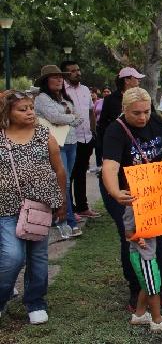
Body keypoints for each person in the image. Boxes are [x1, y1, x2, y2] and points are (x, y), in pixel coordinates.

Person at [100, 87, 162, 312]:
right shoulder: (115, 131)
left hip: (152, 190)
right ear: (124, 110)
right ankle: (135, 289)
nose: (142, 117)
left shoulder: (155, 121)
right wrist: (115, 192)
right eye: (136, 113)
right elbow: (109, 167)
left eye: (146, 112)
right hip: (124, 193)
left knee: (157, 239)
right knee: (131, 239)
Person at [0, 90, 66, 325]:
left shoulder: (43, 134)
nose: (29, 112)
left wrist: (61, 201)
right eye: (22, 109)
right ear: (7, 112)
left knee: (38, 257)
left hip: (39, 207)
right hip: (6, 208)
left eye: (30, 108)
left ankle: (35, 301)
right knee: (12, 257)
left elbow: (59, 170)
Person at [34, 65, 85, 237]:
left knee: (65, 181)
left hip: (71, 142)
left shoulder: (64, 97)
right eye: (54, 77)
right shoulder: (42, 98)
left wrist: (67, 119)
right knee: (63, 182)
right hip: (56, 144)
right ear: (45, 81)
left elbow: (80, 119)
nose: (59, 80)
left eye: (60, 77)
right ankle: (67, 222)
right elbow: (55, 117)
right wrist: (70, 118)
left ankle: (58, 218)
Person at [123, 205, 162, 331]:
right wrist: (138, 239)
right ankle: (157, 321)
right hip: (143, 256)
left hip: (147, 254)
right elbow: (128, 232)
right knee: (152, 288)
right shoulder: (132, 207)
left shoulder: (147, 203)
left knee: (148, 285)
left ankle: (140, 314)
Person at [61, 60, 100, 219]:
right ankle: (71, 210)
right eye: (72, 71)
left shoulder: (85, 89)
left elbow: (91, 111)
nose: (77, 73)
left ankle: (83, 207)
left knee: (81, 175)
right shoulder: (61, 90)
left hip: (86, 139)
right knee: (68, 176)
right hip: (70, 140)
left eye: (78, 69)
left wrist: (93, 130)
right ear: (65, 74)